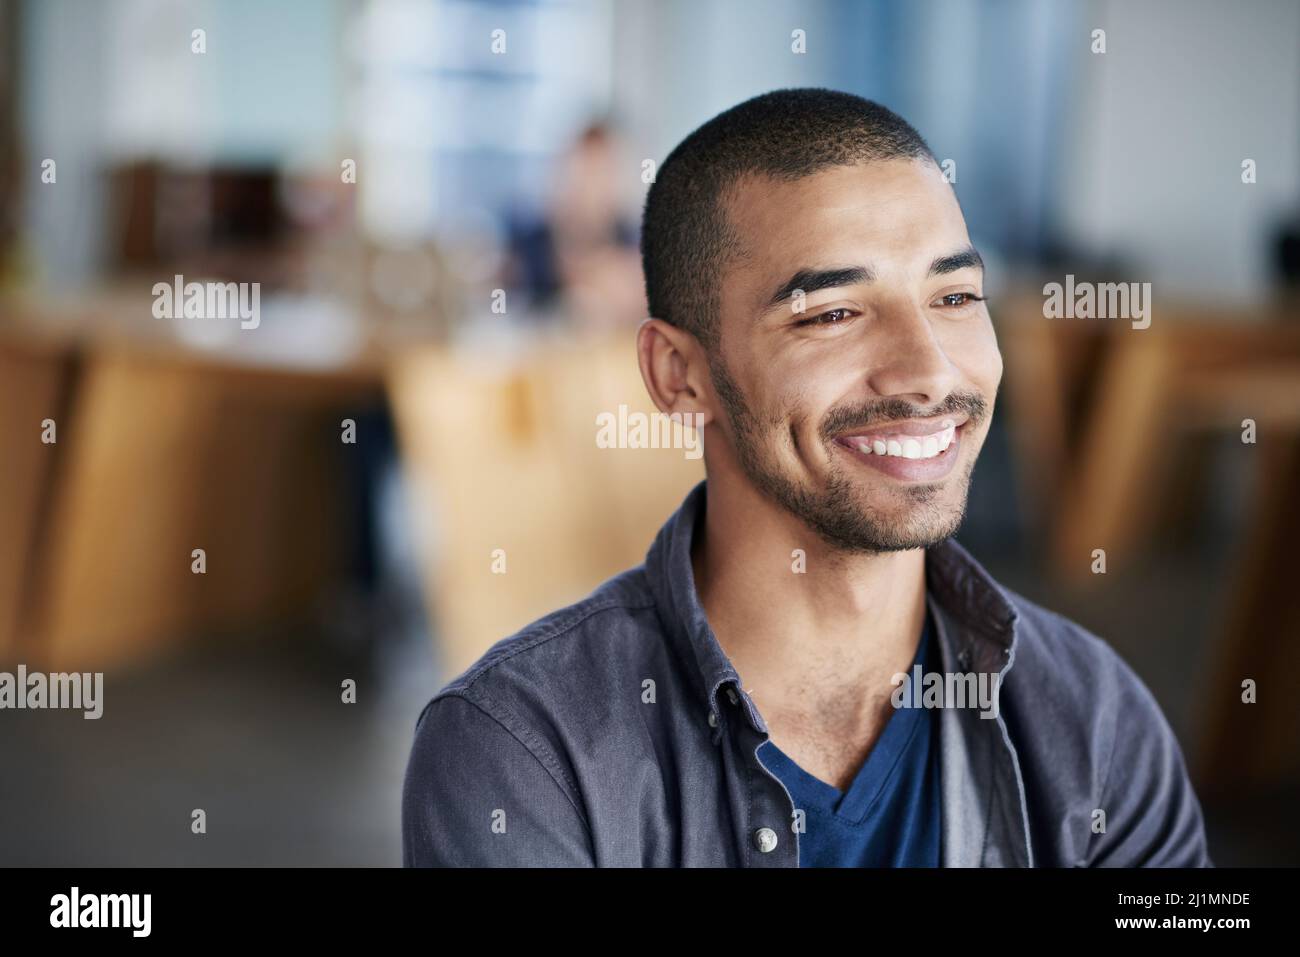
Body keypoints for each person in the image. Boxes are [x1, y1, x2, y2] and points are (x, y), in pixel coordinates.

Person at [402, 88, 1212, 867]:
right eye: (832, 314)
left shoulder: (1097, 721)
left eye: (956, 295)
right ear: (680, 375)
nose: (929, 373)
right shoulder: (523, 753)